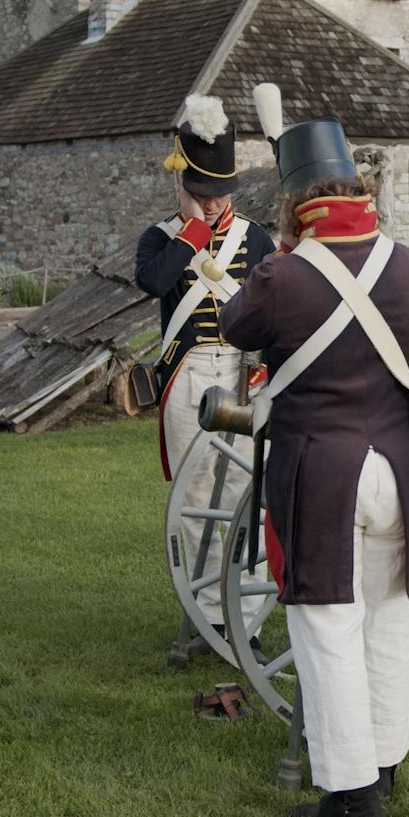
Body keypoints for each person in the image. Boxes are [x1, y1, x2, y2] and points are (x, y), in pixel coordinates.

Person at [219, 116, 409, 817]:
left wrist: (286, 255)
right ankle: (384, 764)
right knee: (387, 621)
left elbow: (235, 326)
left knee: (328, 632)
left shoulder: (282, 274)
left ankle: (352, 800)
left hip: (322, 474)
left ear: (294, 207)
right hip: (398, 470)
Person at [134, 95, 275, 645]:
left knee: (245, 496)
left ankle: (247, 613)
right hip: (187, 376)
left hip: (243, 374)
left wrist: (264, 369)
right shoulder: (161, 238)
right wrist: (192, 231)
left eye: (220, 192)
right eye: (201, 192)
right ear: (182, 184)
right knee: (195, 501)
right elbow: (153, 281)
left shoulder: (255, 239)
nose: (213, 203)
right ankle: (210, 614)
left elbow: (274, 310)